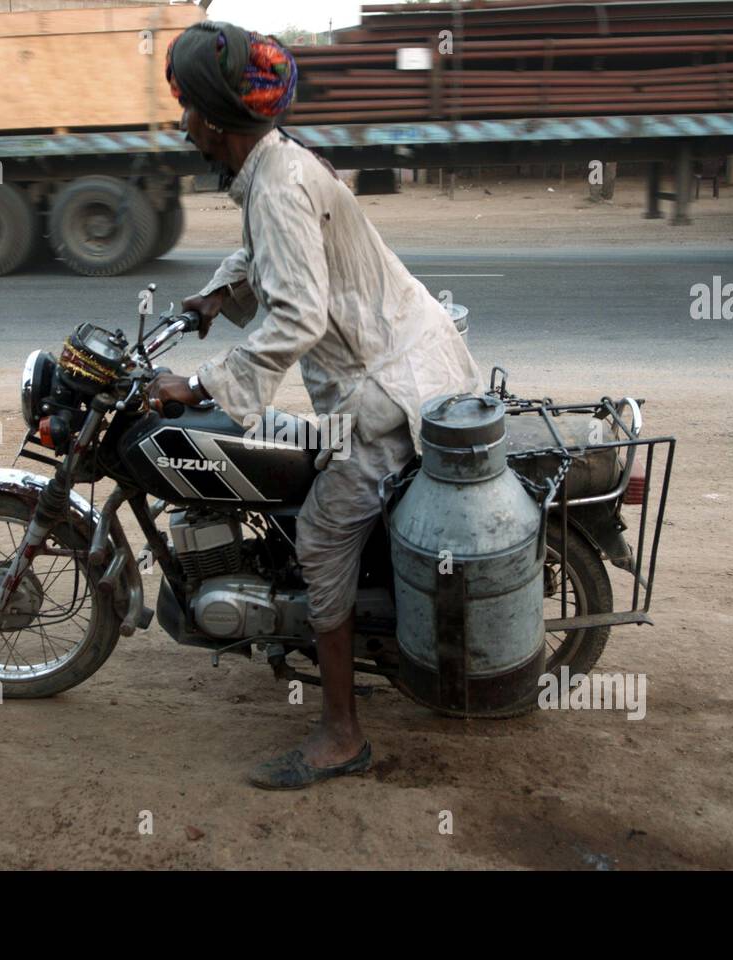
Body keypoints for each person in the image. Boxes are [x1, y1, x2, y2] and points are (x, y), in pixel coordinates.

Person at [150, 21, 481, 790]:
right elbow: (276, 256)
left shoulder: (280, 183)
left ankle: (341, 735)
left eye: (188, 108)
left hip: (392, 387)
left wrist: (200, 385)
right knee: (293, 471)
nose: (183, 123)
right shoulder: (276, 167)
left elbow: (296, 314)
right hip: (394, 361)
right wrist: (212, 297)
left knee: (322, 541)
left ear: (216, 116)